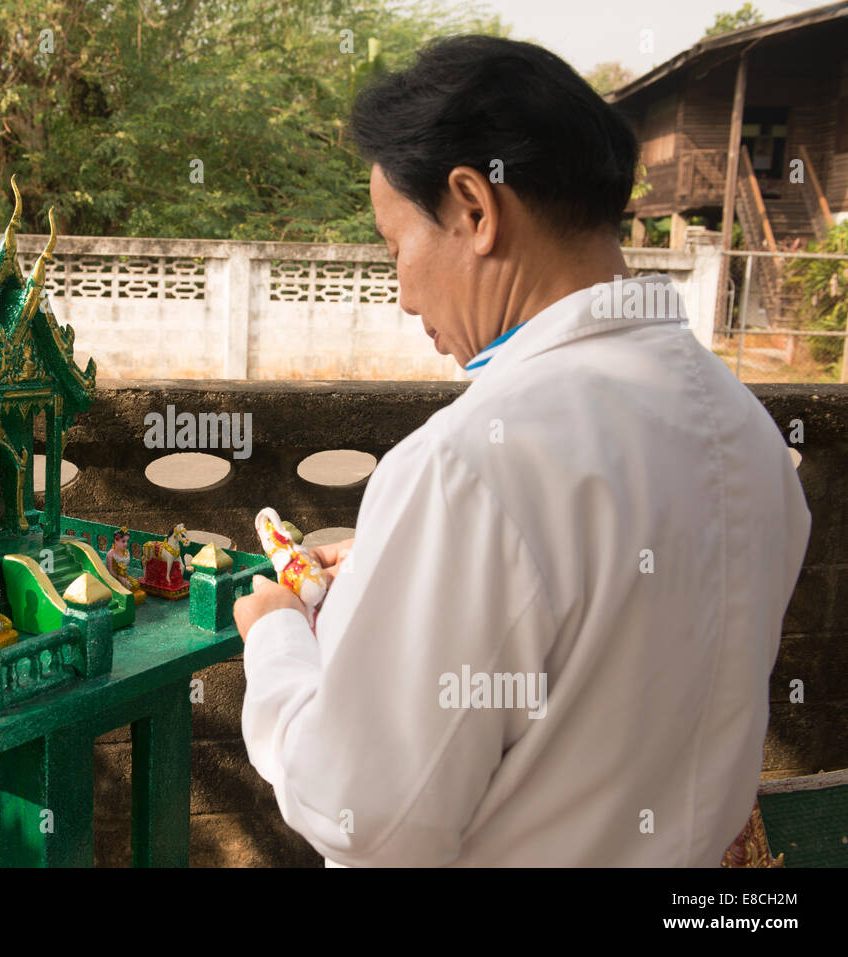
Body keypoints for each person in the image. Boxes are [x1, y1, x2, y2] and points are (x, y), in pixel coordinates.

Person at [233, 35, 811, 867]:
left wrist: (279, 641)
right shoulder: (748, 433)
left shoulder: (467, 468)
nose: (400, 294)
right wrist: (397, 563)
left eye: (396, 246)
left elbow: (365, 816)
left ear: (474, 208)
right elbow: (603, 620)